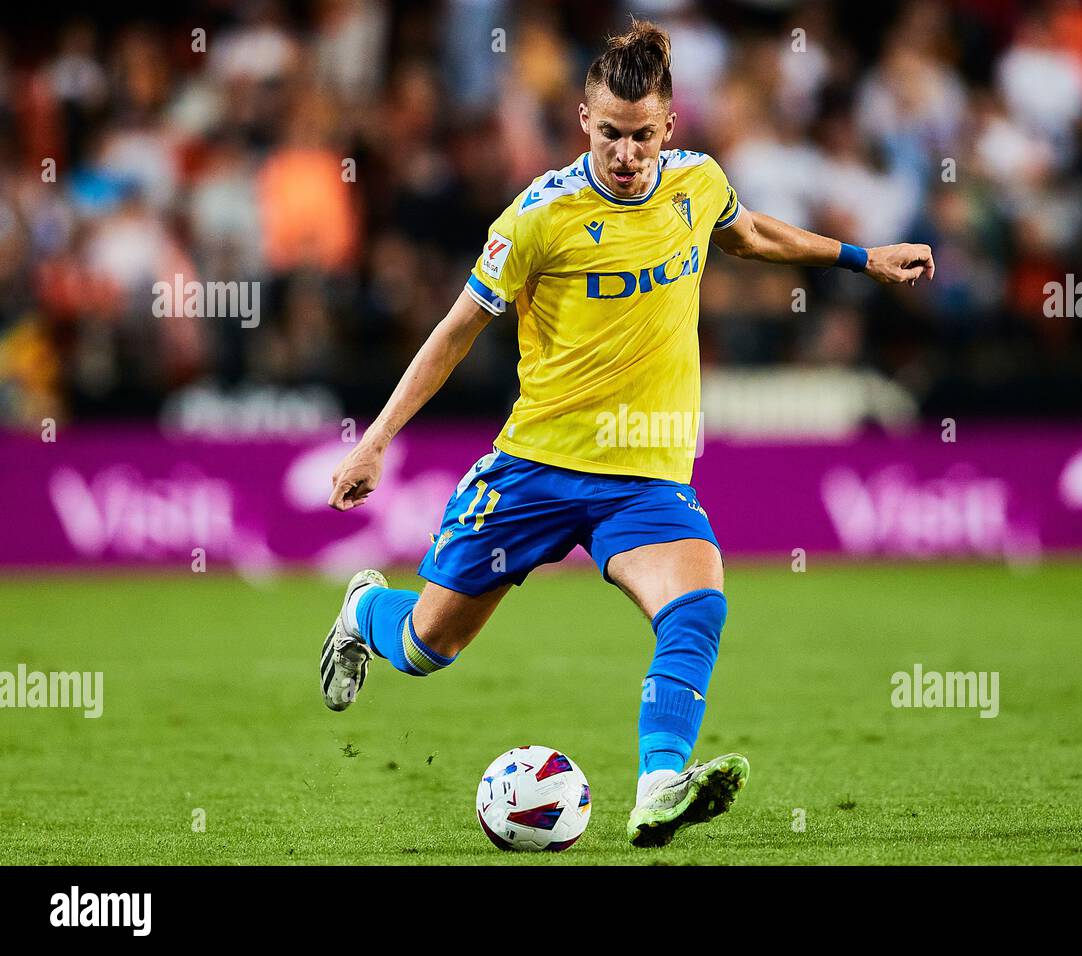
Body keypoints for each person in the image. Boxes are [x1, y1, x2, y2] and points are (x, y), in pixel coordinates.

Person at [321, 18, 934, 848]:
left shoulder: (699, 184)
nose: (626, 154)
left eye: (643, 136)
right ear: (584, 121)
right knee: (429, 647)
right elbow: (456, 329)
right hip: (532, 470)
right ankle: (365, 613)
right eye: (610, 133)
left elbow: (747, 233)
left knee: (698, 602)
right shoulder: (538, 217)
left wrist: (862, 258)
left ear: (669, 128)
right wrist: (376, 439)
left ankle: (657, 786)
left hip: (644, 478)